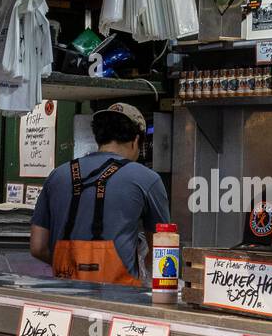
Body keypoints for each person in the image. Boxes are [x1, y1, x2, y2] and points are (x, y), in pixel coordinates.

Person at [30, 103, 171, 285]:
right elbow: (163, 246)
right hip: (120, 298)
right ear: (136, 140)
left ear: (99, 138)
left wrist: (75, 269)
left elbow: (38, 247)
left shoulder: (58, 175)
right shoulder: (147, 179)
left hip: (65, 294)